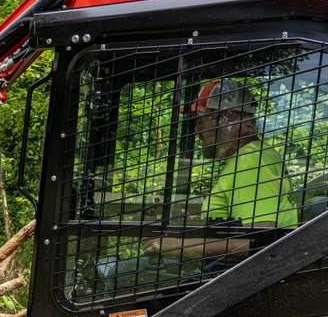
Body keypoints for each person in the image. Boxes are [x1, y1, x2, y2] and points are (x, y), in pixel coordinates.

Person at [97, 78, 297, 293]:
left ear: (229, 117)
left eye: (202, 120)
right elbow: (236, 227)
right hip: (232, 275)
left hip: (242, 284)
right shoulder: (252, 156)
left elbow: (262, 244)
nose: (197, 130)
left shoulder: (251, 160)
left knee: (122, 278)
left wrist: (175, 246)